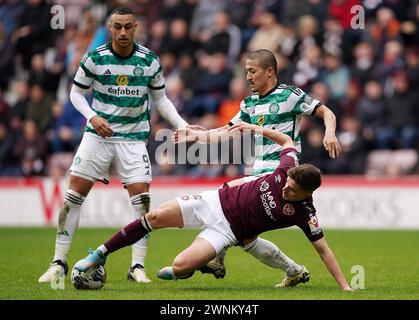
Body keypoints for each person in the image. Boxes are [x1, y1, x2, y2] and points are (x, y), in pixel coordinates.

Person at [73, 123, 353, 290]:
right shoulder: (288, 167)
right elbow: (288, 140)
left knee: (180, 268)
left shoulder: (306, 214)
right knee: (155, 216)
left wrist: (345, 286)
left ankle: (207, 259)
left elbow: (323, 250)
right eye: (287, 181)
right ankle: (100, 254)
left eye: (291, 188)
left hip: (227, 232)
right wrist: (256, 129)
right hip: (214, 201)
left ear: (306, 192)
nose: (285, 186)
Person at [39, 7, 194, 284]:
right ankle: (58, 263)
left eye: (128, 27)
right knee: (73, 197)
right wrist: (92, 116)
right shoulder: (95, 57)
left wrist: (181, 125)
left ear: (136, 27)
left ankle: (136, 267)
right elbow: (75, 94)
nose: (123, 32)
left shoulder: (149, 60)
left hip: (133, 140)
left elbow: (161, 100)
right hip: (97, 137)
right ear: (110, 27)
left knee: (142, 203)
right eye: (117, 27)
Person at [174, 49, 342, 279]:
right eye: (246, 72)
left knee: (227, 201)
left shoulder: (289, 95)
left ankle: (217, 258)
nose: (248, 77)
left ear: (270, 72)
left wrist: (330, 133)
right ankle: (294, 272)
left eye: (252, 71)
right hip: (257, 171)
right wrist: (195, 136)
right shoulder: (249, 103)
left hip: (281, 173)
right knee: (244, 235)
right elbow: (226, 131)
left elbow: (326, 112)